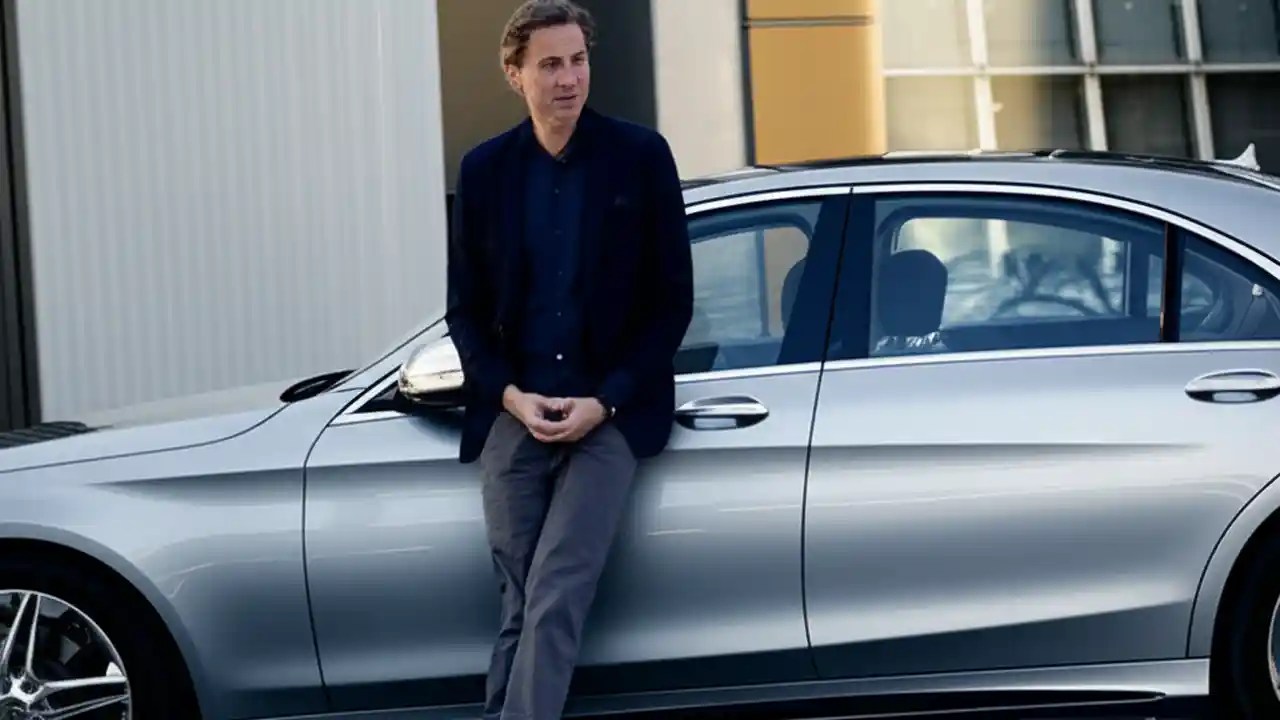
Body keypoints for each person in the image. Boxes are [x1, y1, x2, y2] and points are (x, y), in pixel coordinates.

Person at [444, 1, 694, 718]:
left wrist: (606, 400)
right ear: (513, 73)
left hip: (607, 414)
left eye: (578, 60)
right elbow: (465, 312)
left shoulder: (640, 157)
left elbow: (670, 304)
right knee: (521, 600)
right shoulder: (486, 170)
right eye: (550, 64)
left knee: (555, 588)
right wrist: (509, 397)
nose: (568, 78)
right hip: (517, 412)